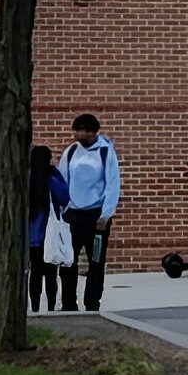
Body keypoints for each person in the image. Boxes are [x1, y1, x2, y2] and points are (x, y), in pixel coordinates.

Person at [54, 113, 121, 312]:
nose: (79, 135)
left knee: (96, 262)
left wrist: (105, 215)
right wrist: (62, 211)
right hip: (72, 216)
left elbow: (112, 185)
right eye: (77, 131)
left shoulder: (105, 152)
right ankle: (69, 303)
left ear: (93, 132)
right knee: (68, 262)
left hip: (96, 218)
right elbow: (62, 182)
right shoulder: (71, 152)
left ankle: (92, 302)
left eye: (83, 131)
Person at [26, 136, 58, 313]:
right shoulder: (51, 176)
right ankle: (51, 306)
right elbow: (64, 196)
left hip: (33, 236)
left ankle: (35, 305)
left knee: (35, 272)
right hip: (50, 234)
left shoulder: (27, 179)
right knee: (51, 273)